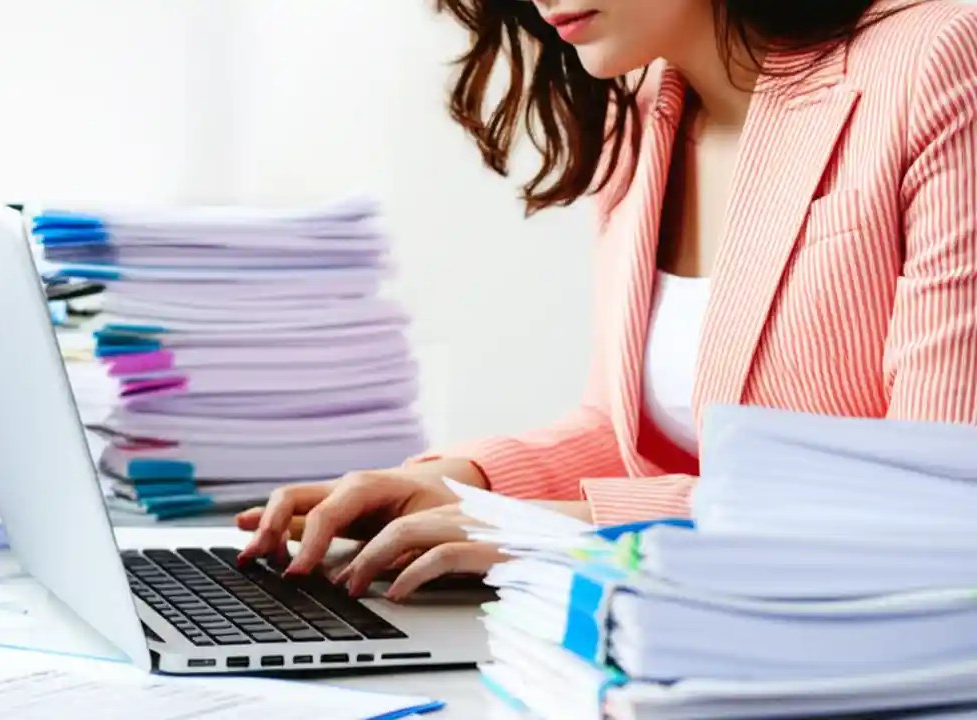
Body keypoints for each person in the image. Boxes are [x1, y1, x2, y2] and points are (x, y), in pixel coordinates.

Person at [238, 0, 977, 600]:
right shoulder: (642, 109)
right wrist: (454, 481)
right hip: (683, 636)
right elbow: (628, 435)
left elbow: (933, 484)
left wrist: (558, 528)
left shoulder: (941, 57)